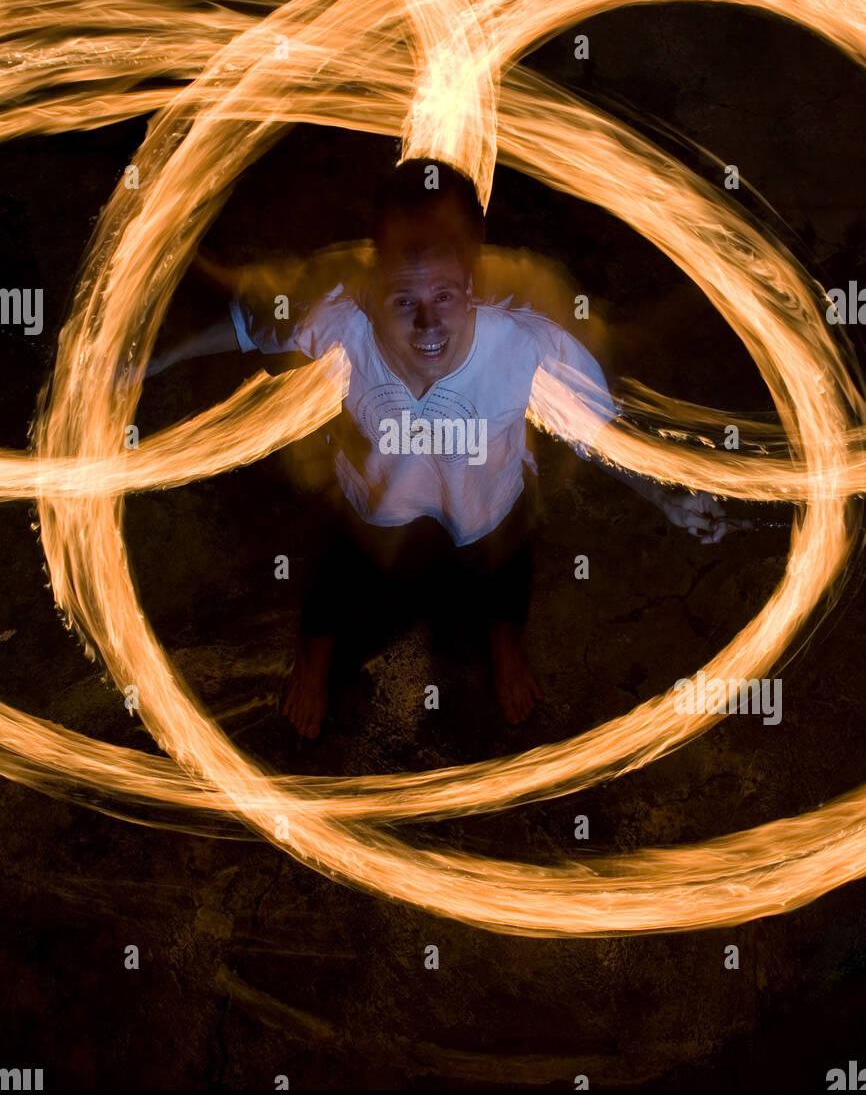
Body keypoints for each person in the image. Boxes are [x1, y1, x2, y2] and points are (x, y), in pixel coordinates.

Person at [146, 158, 728, 736]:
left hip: (487, 502)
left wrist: (665, 497)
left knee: (502, 564)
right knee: (345, 567)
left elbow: (595, 432)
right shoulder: (342, 315)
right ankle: (317, 650)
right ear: (377, 282)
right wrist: (160, 358)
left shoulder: (527, 338)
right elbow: (251, 324)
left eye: (444, 295)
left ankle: (502, 638)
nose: (427, 325)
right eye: (404, 299)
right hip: (376, 499)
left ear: (470, 278)